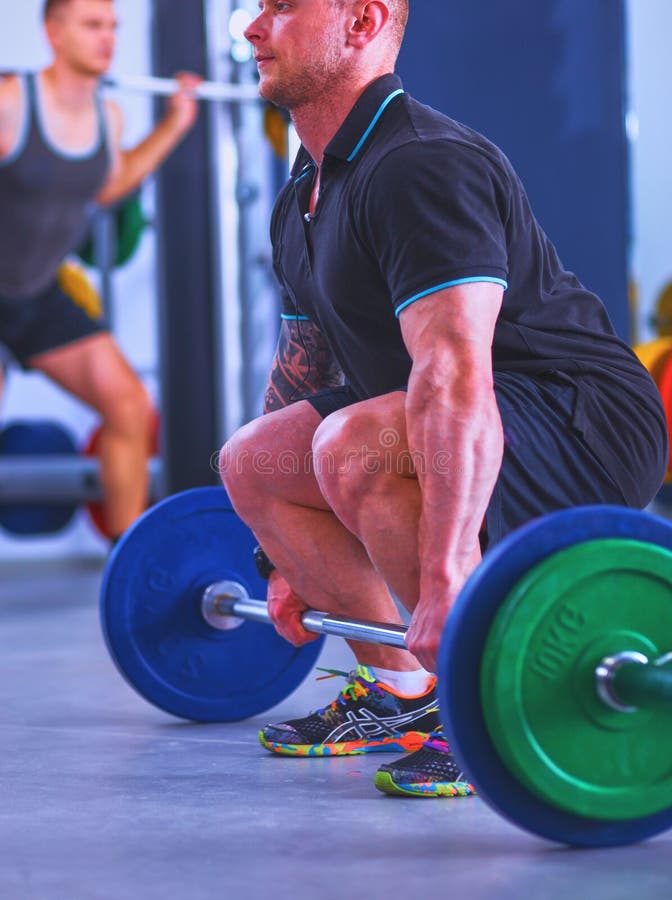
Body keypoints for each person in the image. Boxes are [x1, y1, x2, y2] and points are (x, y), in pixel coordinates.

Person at [219, 0, 668, 796]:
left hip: (581, 417)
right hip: (438, 412)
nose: (253, 28)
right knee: (254, 460)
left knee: (351, 448)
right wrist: (287, 556)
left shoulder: (420, 165)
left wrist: (450, 569)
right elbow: (303, 369)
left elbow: (455, 373)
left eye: (283, 7)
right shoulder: (307, 192)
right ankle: (402, 693)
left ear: (362, 23)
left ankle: (487, 704)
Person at [0, 0, 200, 541]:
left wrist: (174, 125)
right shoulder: (11, 100)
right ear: (54, 33)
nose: (107, 38)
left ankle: (127, 562)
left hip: (38, 294)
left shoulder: (106, 116)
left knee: (129, 406)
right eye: (93, 25)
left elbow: (110, 184)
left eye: (113, 26)